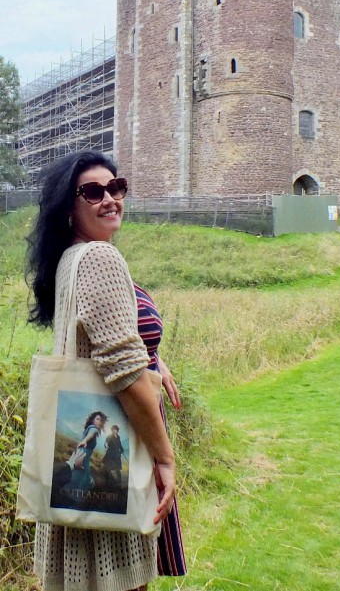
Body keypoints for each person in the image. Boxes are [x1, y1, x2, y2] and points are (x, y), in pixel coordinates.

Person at [26, 150, 186, 591]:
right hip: (119, 457)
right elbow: (123, 372)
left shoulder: (71, 259)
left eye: (116, 187)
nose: (110, 198)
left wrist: (154, 359)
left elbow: (110, 342)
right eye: (93, 191)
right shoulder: (100, 258)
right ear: (69, 206)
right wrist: (165, 457)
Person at [77, 411, 108, 489]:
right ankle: (87, 484)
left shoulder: (92, 428)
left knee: (82, 469)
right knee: (84, 469)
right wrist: (85, 440)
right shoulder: (92, 428)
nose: (99, 422)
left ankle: (85, 485)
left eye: (101, 420)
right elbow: (89, 432)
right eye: (97, 419)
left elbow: (90, 434)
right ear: (93, 420)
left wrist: (84, 440)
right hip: (84, 452)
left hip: (84, 452)